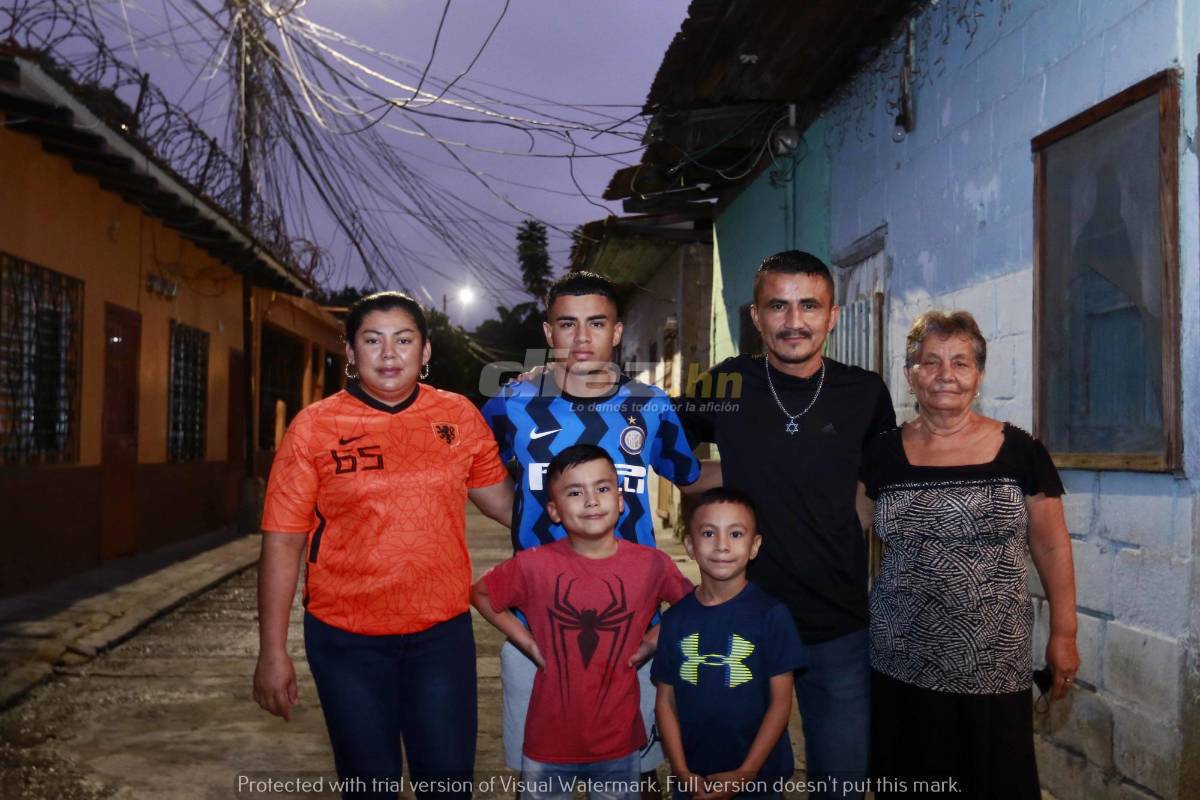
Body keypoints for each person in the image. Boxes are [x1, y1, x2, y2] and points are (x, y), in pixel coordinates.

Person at [252, 291, 513, 800]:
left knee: (448, 784)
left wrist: (585, 512)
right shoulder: (314, 429)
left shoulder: (457, 417)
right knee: (369, 786)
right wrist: (272, 652)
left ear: (426, 351)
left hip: (440, 636)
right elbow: (282, 544)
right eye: (372, 340)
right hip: (346, 640)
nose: (389, 353)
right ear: (350, 352)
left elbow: (505, 505)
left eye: (404, 340)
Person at [675, 251, 895, 800]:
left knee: (843, 781)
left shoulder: (865, 393)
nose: (793, 321)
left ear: (833, 315)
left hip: (838, 620)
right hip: (742, 618)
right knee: (740, 780)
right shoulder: (727, 384)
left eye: (808, 306)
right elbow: (657, 448)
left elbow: (876, 485)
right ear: (756, 316)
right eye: (778, 305)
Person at [481, 271, 710, 789]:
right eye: (567, 324)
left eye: (596, 323)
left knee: (636, 774)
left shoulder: (649, 406)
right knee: (539, 776)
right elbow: (475, 474)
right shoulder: (510, 405)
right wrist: (523, 516)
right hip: (536, 627)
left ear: (617, 331)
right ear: (548, 332)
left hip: (634, 627)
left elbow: (690, 477)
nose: (581, 338)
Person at [858, 310, 1079, 799]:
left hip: (993, 665)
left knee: (994, 784)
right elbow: (845, 535)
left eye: (960, 362)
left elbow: (1051, 543)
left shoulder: (1020, 451)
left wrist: (1065, 632)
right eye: (930, 361)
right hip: (901, 660)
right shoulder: (881, 455)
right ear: (909, 374)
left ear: (978, 376)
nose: (945, 375)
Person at [471, 445, 694, 800]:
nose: (591, 500)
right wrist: (526, 642)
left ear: (621, 500)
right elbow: (481, 594)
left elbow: (692, 606)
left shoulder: (652, 564)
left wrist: (652, 640)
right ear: (554, 511)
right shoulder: (533, 565)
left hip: (618, 741)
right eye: (575, 492)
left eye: (602, 489)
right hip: (547, 742)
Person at [653, 488, 807, 800]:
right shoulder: (674, 620)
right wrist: (681, 772)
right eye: (709, 533)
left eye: (736, 534)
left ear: (755, 546)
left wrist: (744, 774)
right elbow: (665, 703)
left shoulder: (772, 615)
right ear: (690, 545)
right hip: (693, 777)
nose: (722, 545)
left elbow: (781, 704)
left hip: (757, 778)